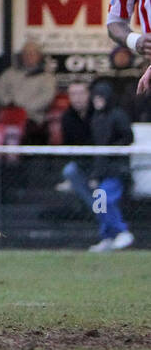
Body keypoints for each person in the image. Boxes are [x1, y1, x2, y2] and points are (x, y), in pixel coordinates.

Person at [60, 81, 135, 251]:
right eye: (95, 98)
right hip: (102, 171)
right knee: (99, 203)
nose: (97, 101)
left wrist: (112, 150)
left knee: (105, 200)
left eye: (100, 98)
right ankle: (107, 237)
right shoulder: (97, 119)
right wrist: (95, 173)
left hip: (116, 171)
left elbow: (127, 138)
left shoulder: (118, 115)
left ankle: (122, 232)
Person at [0, 42, 57, 144]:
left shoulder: (46, 77)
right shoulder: (9, 73)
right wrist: (9, 102)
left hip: (32, 119)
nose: (29, 56)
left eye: (32, 53)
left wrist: (22, 109)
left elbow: (46, 98)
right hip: (7, 116)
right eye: (26, 54)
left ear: (39, 56)